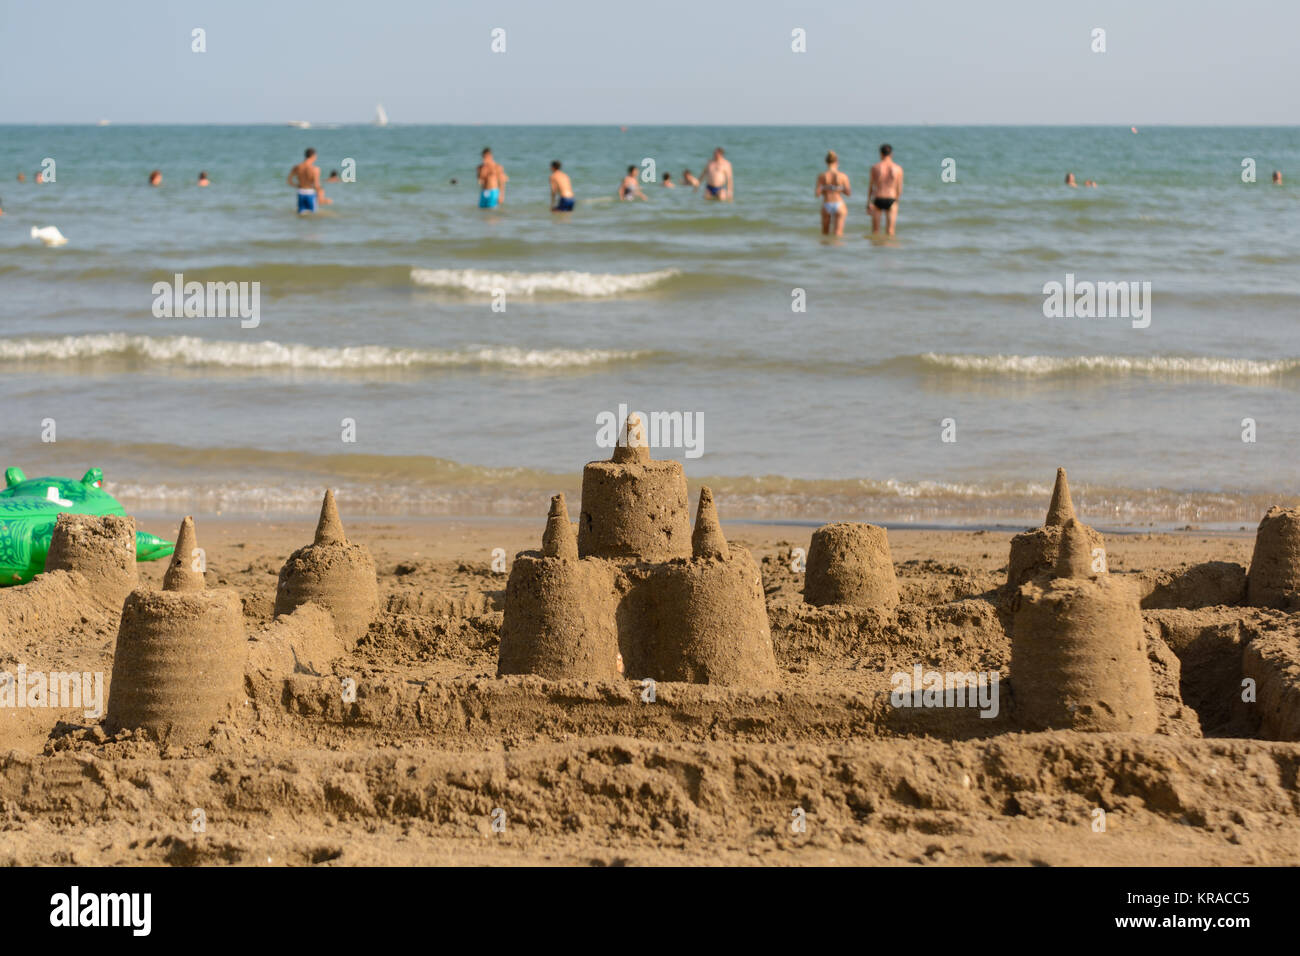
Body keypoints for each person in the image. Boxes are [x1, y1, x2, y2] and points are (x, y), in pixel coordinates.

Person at [868, 144, 903, 235]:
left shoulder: (875, 167)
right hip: (891, 198)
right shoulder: (898, 168)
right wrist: (897, 201)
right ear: (891, 154)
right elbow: (899, 188)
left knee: (875, 231)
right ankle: (890, 248)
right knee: (890, 231)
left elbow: (871, 187)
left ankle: (876, 248)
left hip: (878, 198)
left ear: (881, 154)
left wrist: (868, 202)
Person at [815, 150, 851, 237]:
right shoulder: (843, 176)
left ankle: (826, 250)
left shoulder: (822, 176)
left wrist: (826, 188)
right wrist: (838, 189)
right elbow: (848, 193)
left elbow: (817, 194)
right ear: (837, 162)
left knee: (825, 234)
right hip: (839, 204)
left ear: (826, 162)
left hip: (827, 203)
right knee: (838, 234)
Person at [287, 147, 329, 214]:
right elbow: (316, 185)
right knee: (313, 216)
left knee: (301, 215)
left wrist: (298, 185)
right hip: (310, 193)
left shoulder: (297, 167)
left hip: (300, 192)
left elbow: (289, 181)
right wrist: (321, 196)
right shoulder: (315, 169)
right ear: (313, 156)